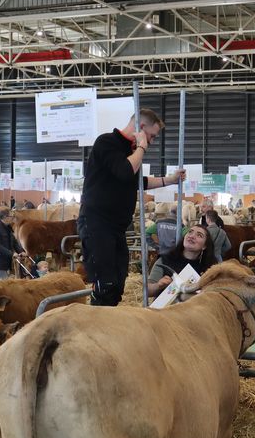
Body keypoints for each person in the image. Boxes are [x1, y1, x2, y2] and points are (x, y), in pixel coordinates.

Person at [77, 107, 183, 306]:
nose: (151, 142)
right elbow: (126, 172)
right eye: (151, 136)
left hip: (116, 228)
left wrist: (170, 180)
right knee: (105, 284)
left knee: (118, 285)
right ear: (141, 128)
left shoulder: (129, 153)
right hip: (97, 223)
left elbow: (136, 181)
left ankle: (108, 326)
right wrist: (141, 148)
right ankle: (96, 327)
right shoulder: (107, 142)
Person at [146, 223, 216, 296]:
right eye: (190, 232)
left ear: (204, 246)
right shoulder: (165, 260)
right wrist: (158, 285)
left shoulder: (210, 269)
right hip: (165, 307)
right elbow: (147, 291)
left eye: (199, 235)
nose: (192, 236)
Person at [0, 209, 24, 279]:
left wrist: (21, 251)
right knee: (4, 282)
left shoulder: (8, 228)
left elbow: (14, 242)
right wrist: (12, 253)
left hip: (5, 261)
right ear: (5, 217)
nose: (13, 218)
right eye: (12, 216)